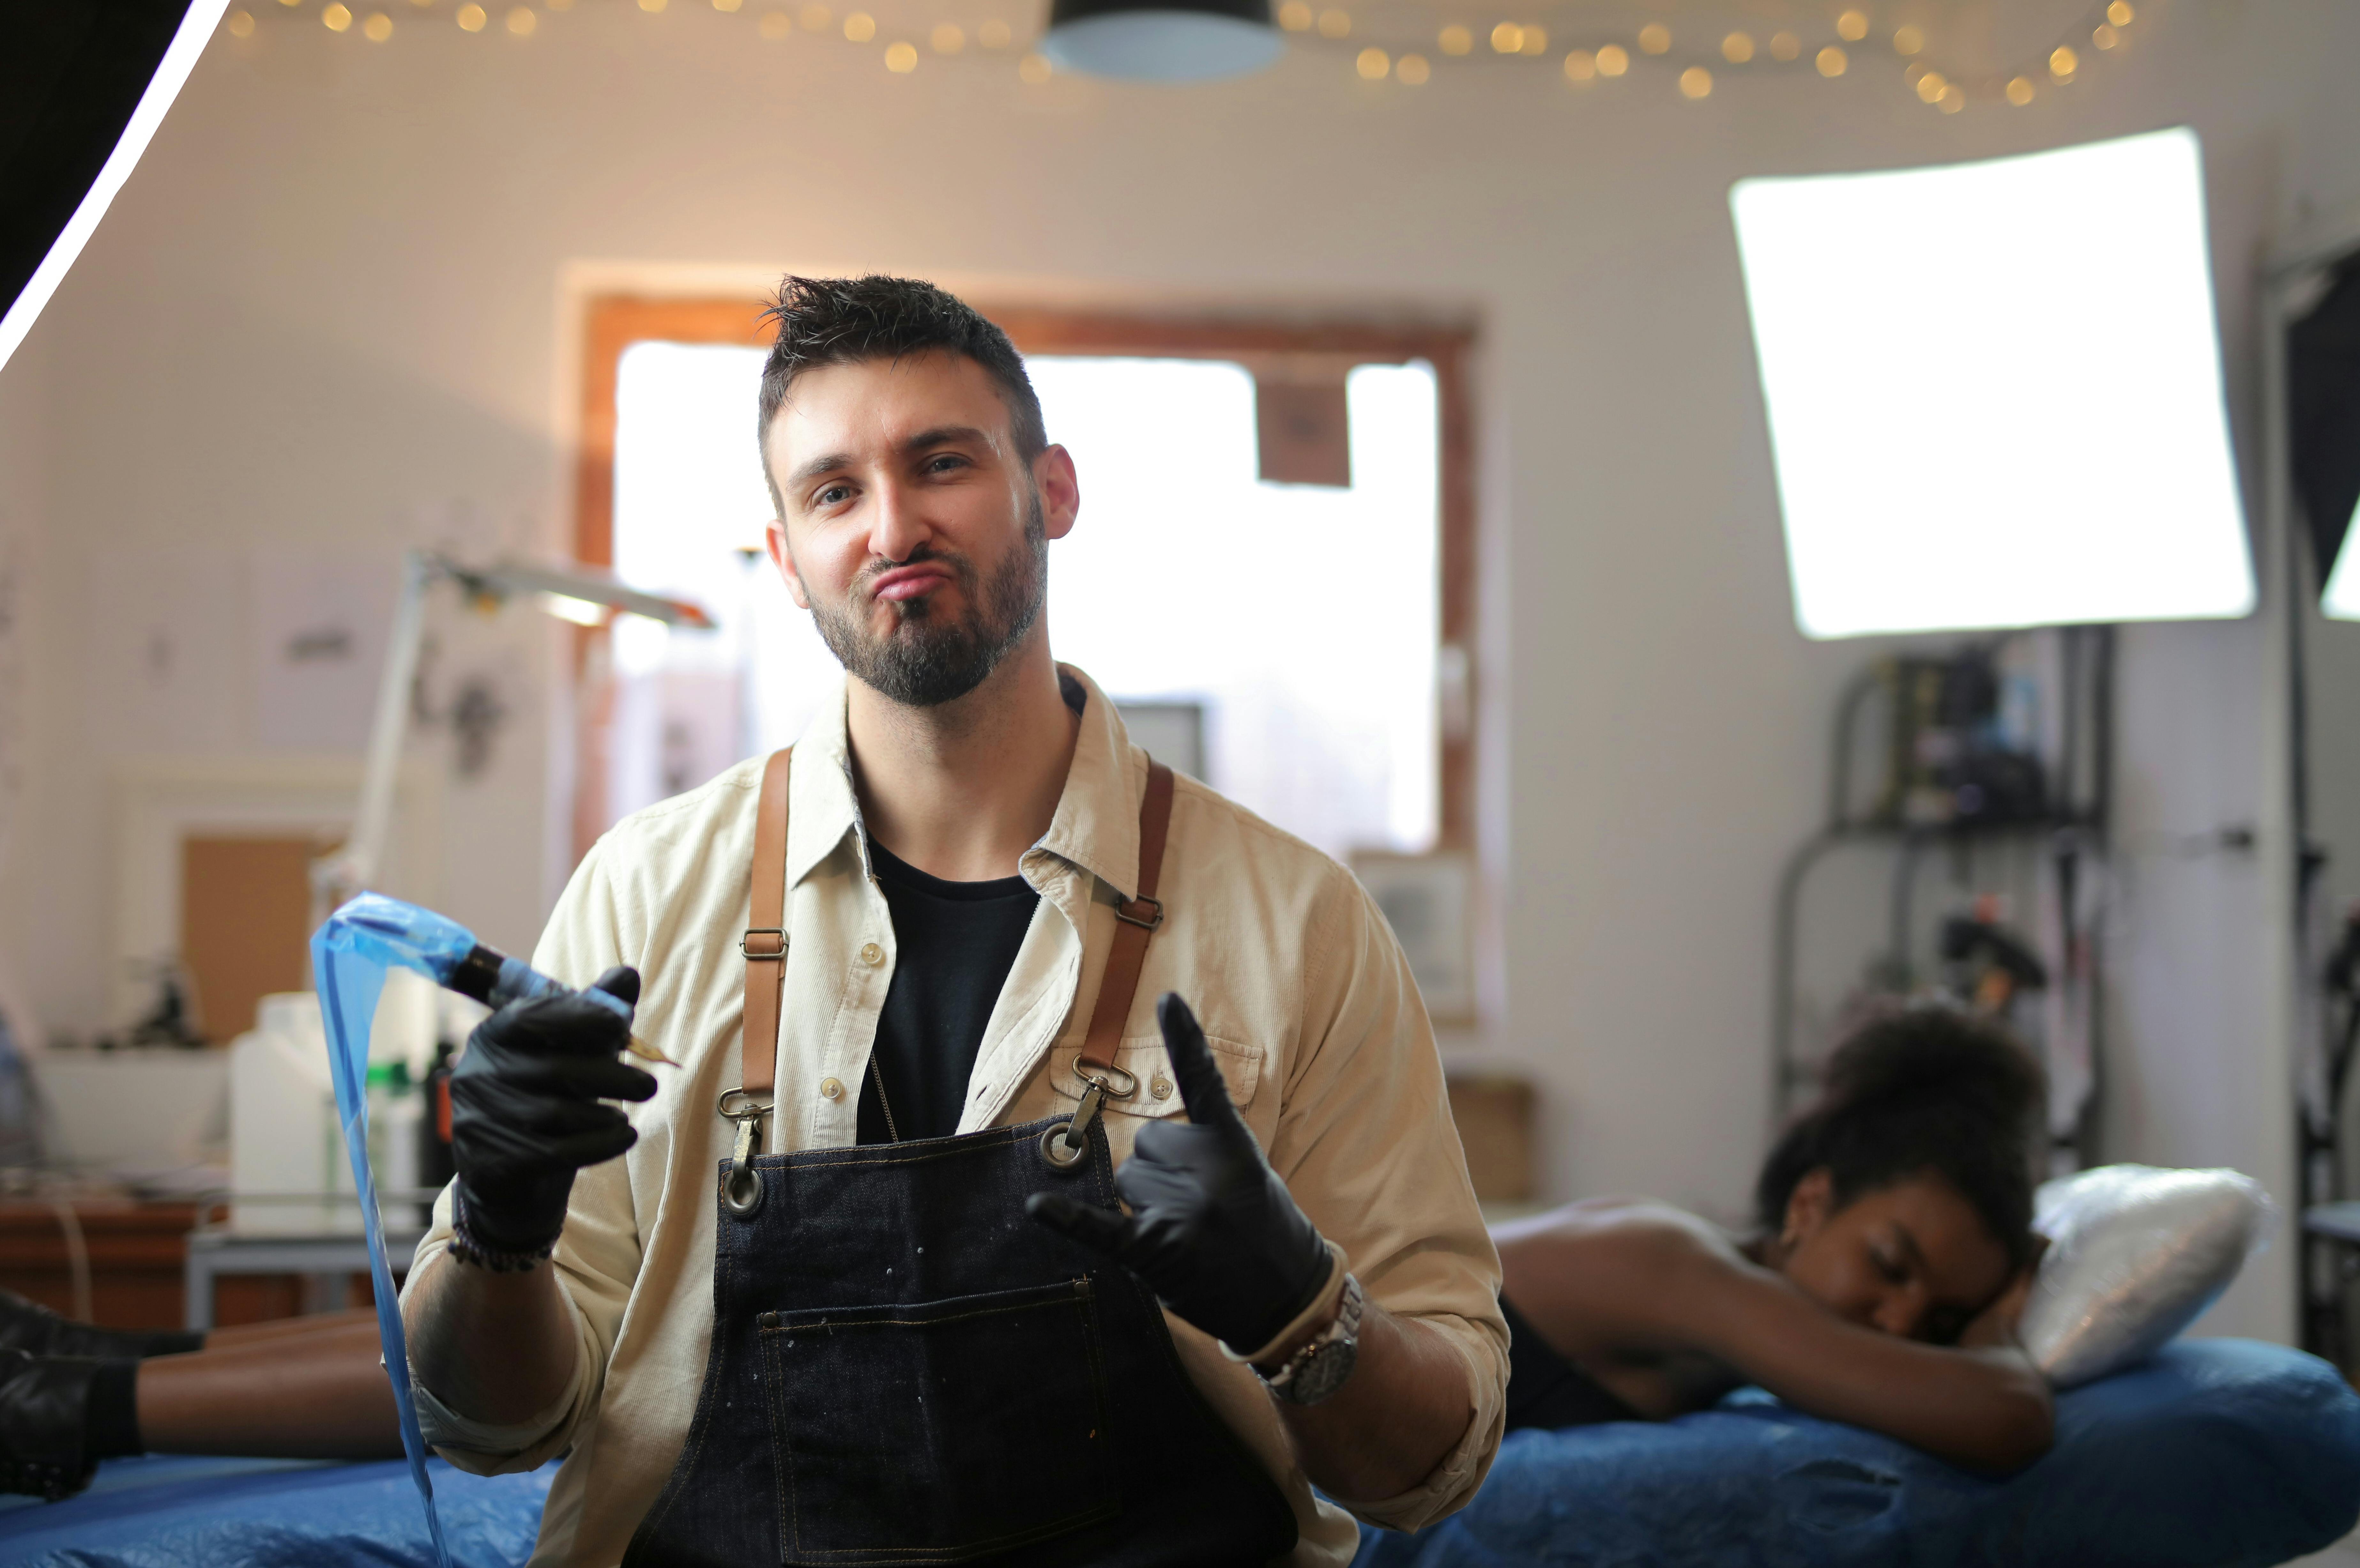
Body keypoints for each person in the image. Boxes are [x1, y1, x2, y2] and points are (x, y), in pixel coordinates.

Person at [392, 275, 1507, 1566]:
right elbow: (491, 1429)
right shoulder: (645, 898)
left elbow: (1426, 1474)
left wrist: (1304, 1312)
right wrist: (498, 1226)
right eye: (833, 492)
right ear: (787, 563)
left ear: (1052, 492)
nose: (892, 525)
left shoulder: (1295, 921)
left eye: (940, 463)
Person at [1490, 1004, 2056, 1473]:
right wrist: (1995, 1328)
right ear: (1809, 1204)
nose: (1900, 1324)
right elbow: (2009, 1416)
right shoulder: (1673, 1264)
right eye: (1888, 1265)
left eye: (1940, 1323)